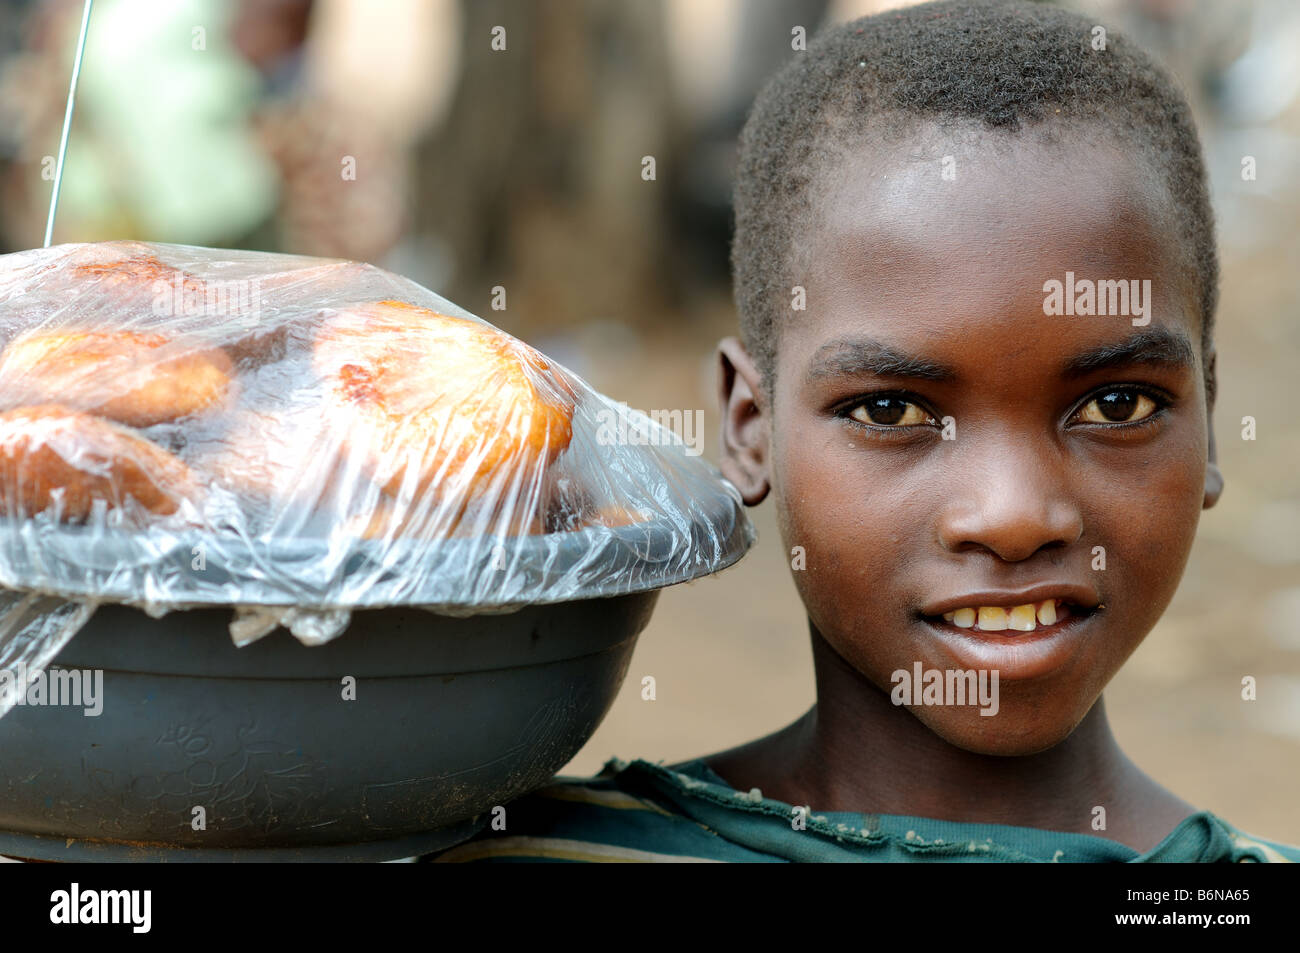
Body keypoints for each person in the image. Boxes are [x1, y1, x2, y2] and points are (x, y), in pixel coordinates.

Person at [425, 0, 1299, 863]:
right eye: (890, 410)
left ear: (1209, 424)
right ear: (750, 426)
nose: (1013, 515)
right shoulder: (546, 852)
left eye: (1117, 405)